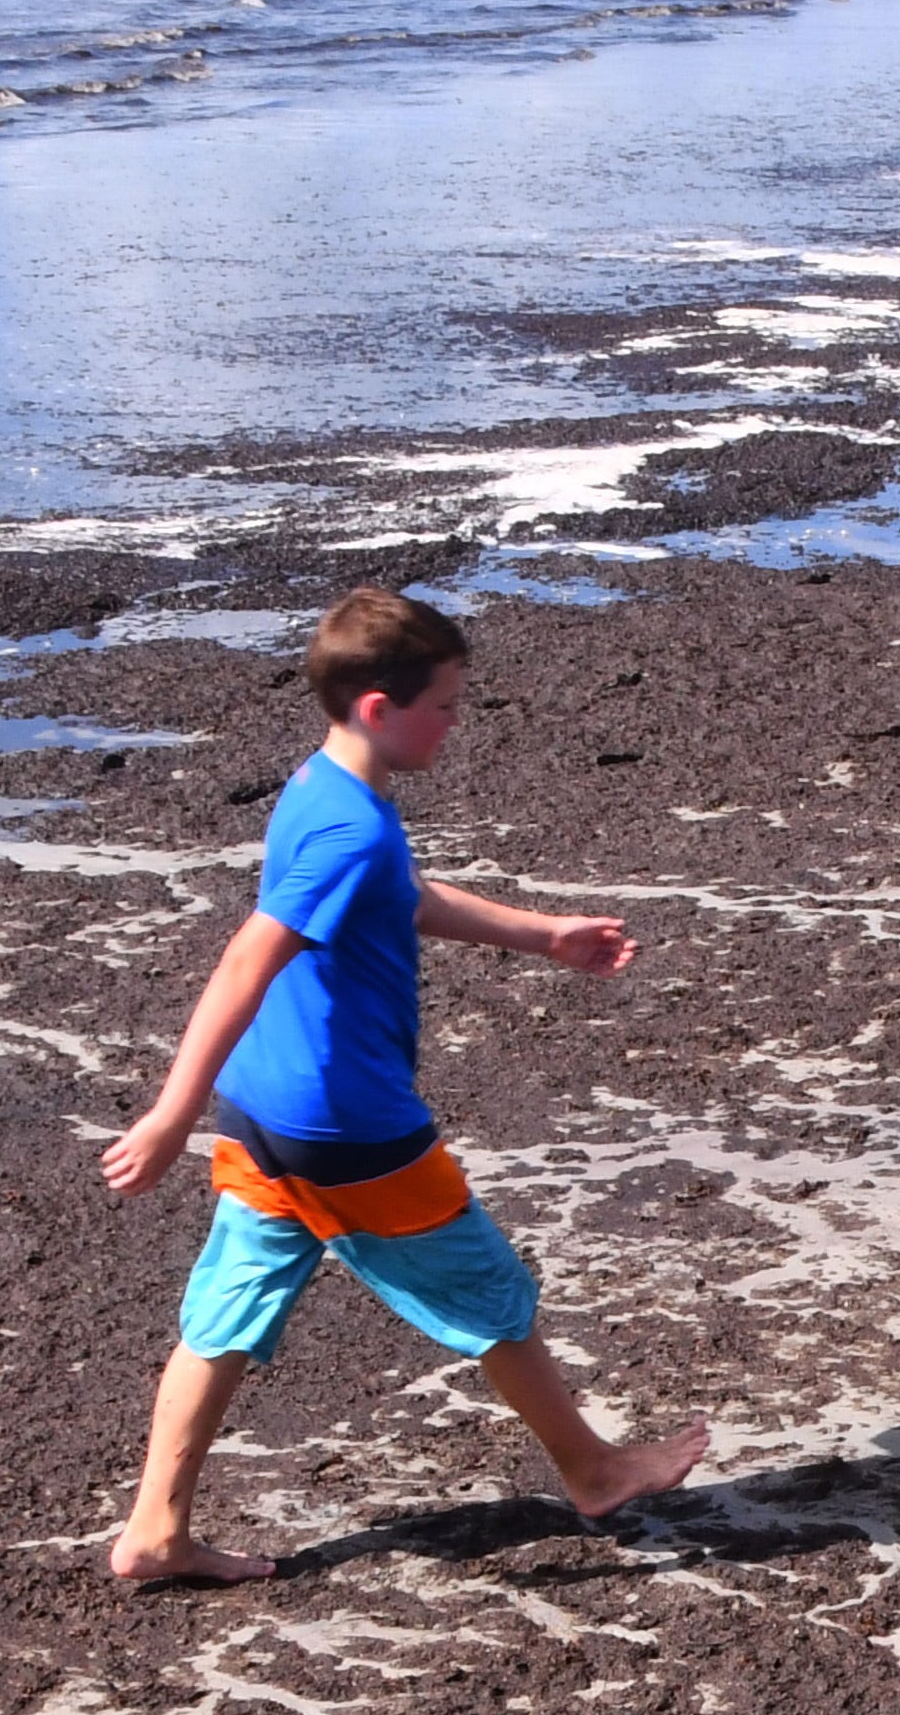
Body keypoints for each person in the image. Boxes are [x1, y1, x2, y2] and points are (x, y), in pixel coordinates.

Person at [95, 587, 708, 1583]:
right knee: (493, 1295)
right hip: (351, 1130)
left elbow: (393, 899)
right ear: (380, 706)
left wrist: (539, 932)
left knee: (227, 1313)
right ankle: (592, 1468)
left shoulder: (319, 789)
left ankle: (155, 1530)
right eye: (447, 705)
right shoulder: (352, 829)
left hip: (265, 1113)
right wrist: (167, 1113)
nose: (456, 722)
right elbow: (248, 957)